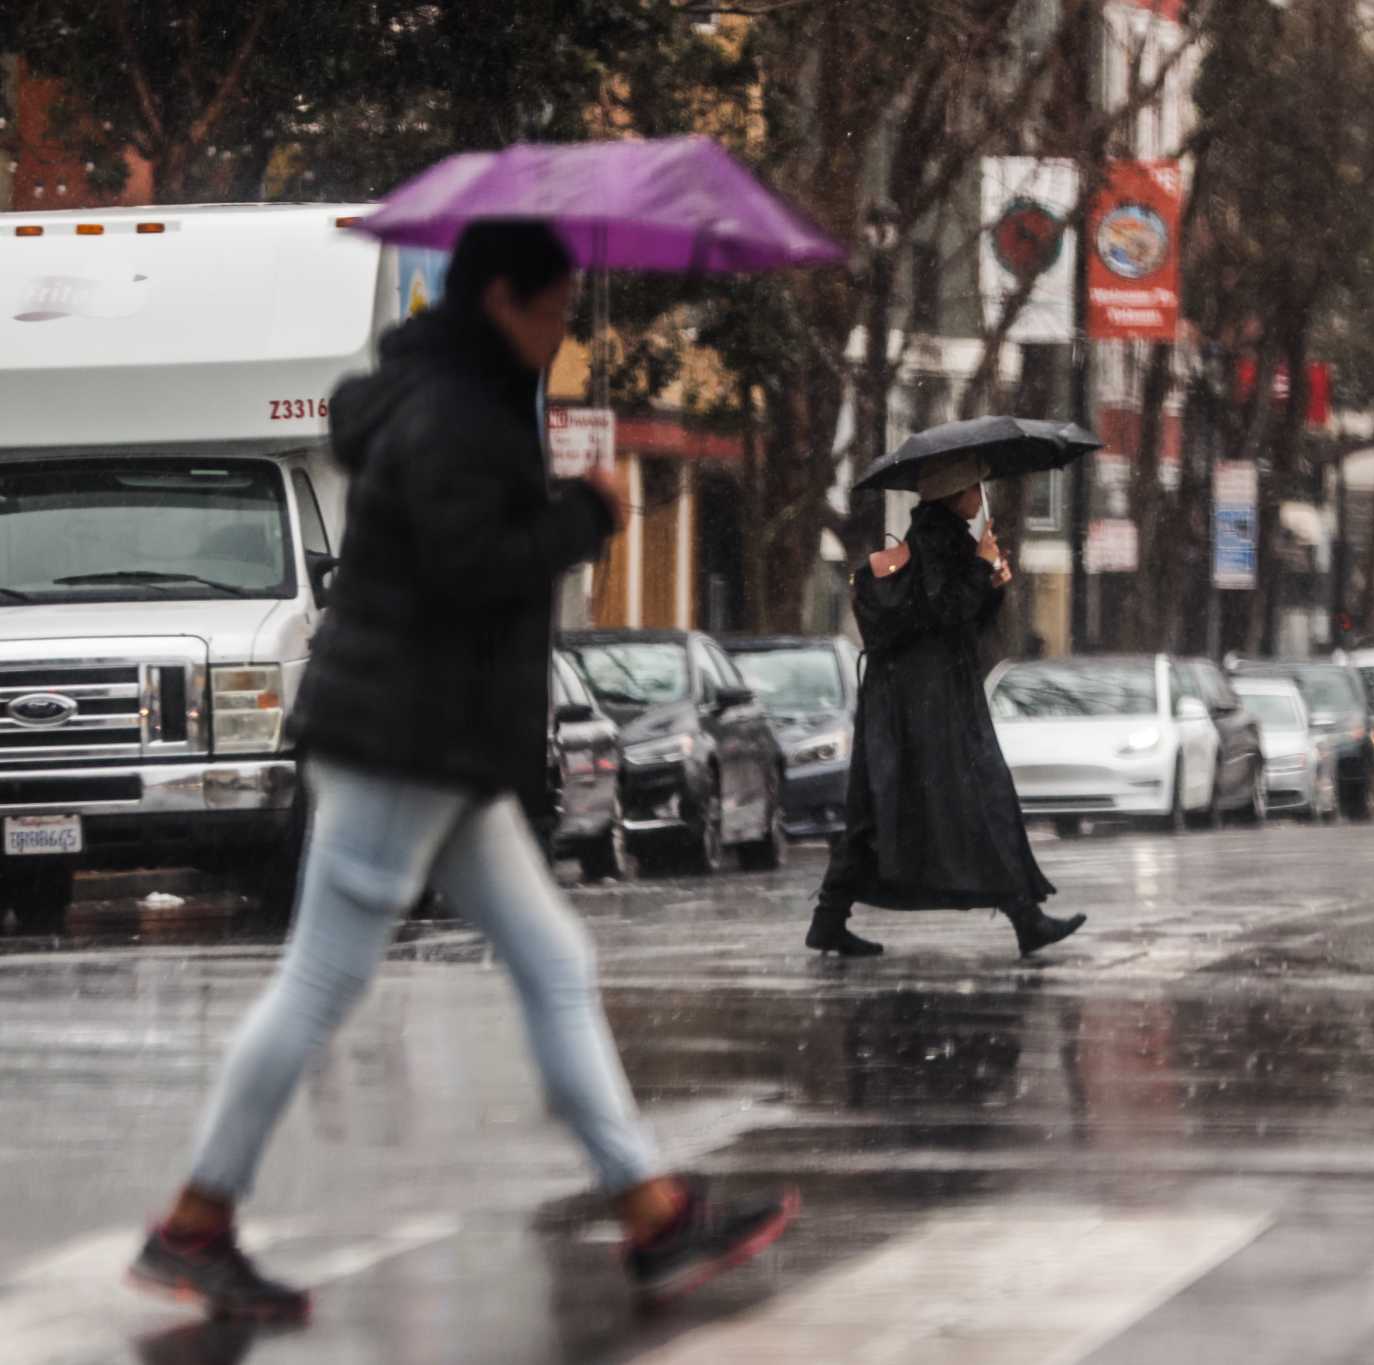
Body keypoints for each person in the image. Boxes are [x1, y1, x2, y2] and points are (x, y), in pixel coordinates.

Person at [127, 222, 795, 1322]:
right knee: (320, 984)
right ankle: (196, 1222)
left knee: (551, 960)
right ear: (499, 298)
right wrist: (582, 517)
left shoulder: (435, 394)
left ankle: (650, 1212)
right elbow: (464, 569)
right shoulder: (453, 414)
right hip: (405, 741)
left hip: (439, 746)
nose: (560, 329)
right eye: (553, 308)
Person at [805, 454, 1086, 959]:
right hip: (930, 699)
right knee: (983, 797)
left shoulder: (935, 537)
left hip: (910, 697)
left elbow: (958, 614)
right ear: (955, 493)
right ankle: (1027, 919)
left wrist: (990, 580)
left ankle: (831, 918)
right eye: (974, 487)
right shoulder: (942, 542)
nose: (981, 496)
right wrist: (982, 569)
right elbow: (946, 612)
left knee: (883, 806)